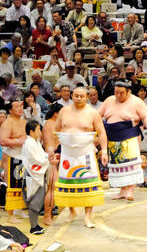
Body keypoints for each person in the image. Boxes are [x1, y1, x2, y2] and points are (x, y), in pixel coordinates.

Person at [46, 86, 108, 227]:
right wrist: (51, 148)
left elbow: (102, 132)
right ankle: (72, 211)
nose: (78, 98)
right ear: (72, 96)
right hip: (67, 153)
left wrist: (104, 151)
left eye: (81, 95)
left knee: (88, 184)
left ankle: (87, 216)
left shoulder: (93, 113)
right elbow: (56, 131)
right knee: (68, 184)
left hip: (85, 153)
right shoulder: (64, 111)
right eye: (76, 95)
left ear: (86, 97)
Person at [100, 80, 147, 201]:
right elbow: (98, 115)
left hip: (130, 135)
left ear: (128, 92)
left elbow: (146, 117)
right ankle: (122, 191)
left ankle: (130, 190)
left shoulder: (136, 102)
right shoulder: (109, 100)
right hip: (113, 137)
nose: (118, 95)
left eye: (121, 93)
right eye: (116, 92)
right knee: (118, 165)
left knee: (131, 164)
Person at [20, 120, 49, 235]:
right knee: (34, 200)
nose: (40, 132)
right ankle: (33, 227)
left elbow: (41, 155)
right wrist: (47, 159)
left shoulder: (34, 142)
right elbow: (36, 160)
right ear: (31, 132)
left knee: (38, 199)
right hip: (32, 174)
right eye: (38, 130)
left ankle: (35, 224)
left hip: (37, 174)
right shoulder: (29, 144)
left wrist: (47, 157)